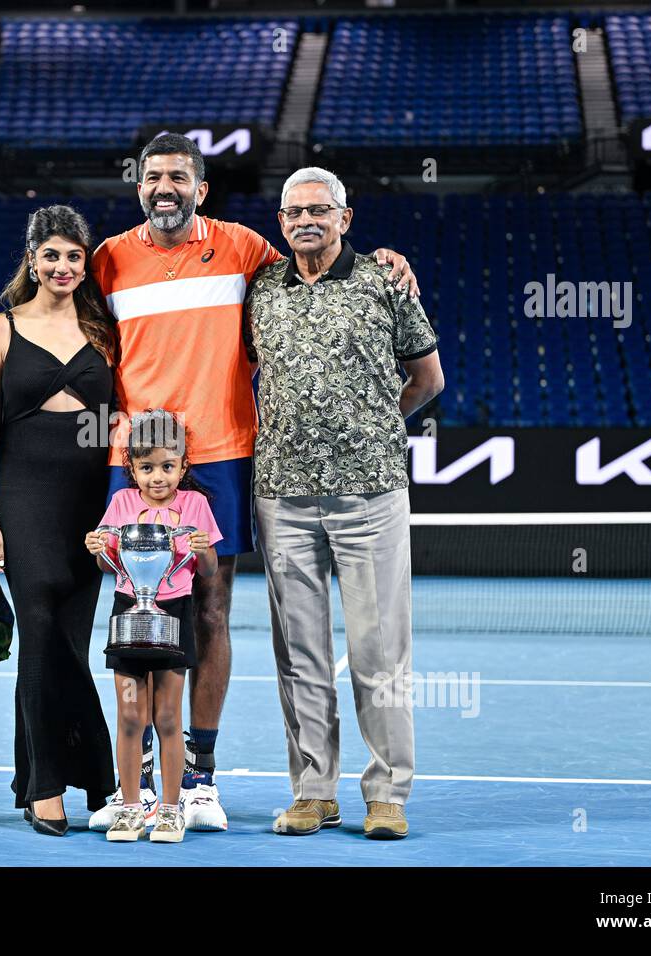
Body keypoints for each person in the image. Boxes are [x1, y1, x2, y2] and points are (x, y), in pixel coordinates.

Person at [87, 133, 421, 832]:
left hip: (224, 454)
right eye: (154, 177)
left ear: (201, 189)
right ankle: (143, 779)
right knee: (141, 614)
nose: (166, 187)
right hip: (138, 458)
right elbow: (65, 321)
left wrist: (392, 260)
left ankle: (200, 776)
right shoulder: (108, 259)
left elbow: (324, 261)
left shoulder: (243, 249)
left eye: (180, 175)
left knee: (211, 610)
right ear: (139, 186)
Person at [246, 167, 443, 839]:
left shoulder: (385, 282)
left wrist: (377, 425)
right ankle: (312, 789)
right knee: (298, 652)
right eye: (294, 211)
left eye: (319, 210)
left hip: (371, 495)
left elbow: (427, 376)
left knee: (378, 650)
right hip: (282, 497)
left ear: (345, 218)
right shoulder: (262, 289)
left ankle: (388, 792)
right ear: (281, 221)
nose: (306, 220)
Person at [0, 205, 119, 836]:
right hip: (22, 497)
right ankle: (63, 783)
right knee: (38, 631)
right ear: (32, 259)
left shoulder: (104, 330)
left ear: (85, 264)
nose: (63, 266)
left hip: (90, 503)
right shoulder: (1, 329)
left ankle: (43, 775)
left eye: (74, 256)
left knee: (71, 645)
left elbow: (121, 420)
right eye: (51, 255)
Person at [86, 410, 221, 843]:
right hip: (128, 611)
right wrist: (95, 547)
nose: (157, 478)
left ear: (183, 465)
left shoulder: (196, 506)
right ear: (132, 469)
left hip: (174, 616)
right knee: (129, 716)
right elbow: (107, 561)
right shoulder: (122, 504)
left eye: (167, 466)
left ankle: (169, 810)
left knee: (166, 716)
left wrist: (204, 550)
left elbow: (209, 572)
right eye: (146, 468)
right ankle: (129, 808)